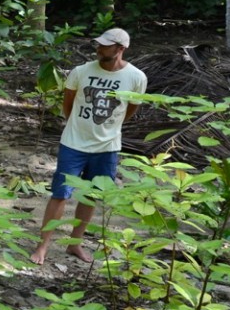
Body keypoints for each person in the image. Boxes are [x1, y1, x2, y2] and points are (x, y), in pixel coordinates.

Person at [30, 27, 147, 265]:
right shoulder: (81, 71)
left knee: (91, 196)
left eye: (105, 45)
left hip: (107, 148)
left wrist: (109, 128)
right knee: (60, 194)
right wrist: (77, 126)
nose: (99, 48)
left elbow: (130, 109)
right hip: (73, 143)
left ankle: (75, 243)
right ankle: (43, 246)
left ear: (120, 49)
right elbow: (68, 104)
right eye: (99, 44)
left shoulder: (136, 78)